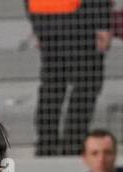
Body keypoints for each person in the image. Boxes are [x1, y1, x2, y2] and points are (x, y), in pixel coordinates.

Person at [28, 0, 113, 156]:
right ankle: (73, 143)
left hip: (42, 12)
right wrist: (103, 24)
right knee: (88, 80)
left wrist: (35, 22)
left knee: (52, 83)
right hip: (78, 13)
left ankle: (46, 144)